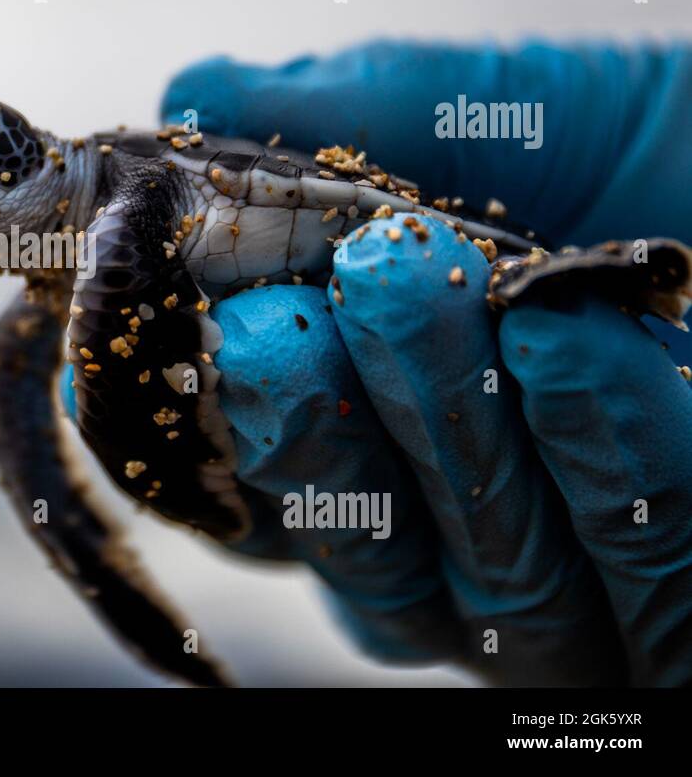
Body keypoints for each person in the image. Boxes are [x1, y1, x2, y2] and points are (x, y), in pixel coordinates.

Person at [75, 42, 692, 686]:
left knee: (498, 306)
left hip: (403, 245)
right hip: (393, 314)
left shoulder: (126, 205)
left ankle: (609, 283)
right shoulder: (55, 273)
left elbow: (116, 349)